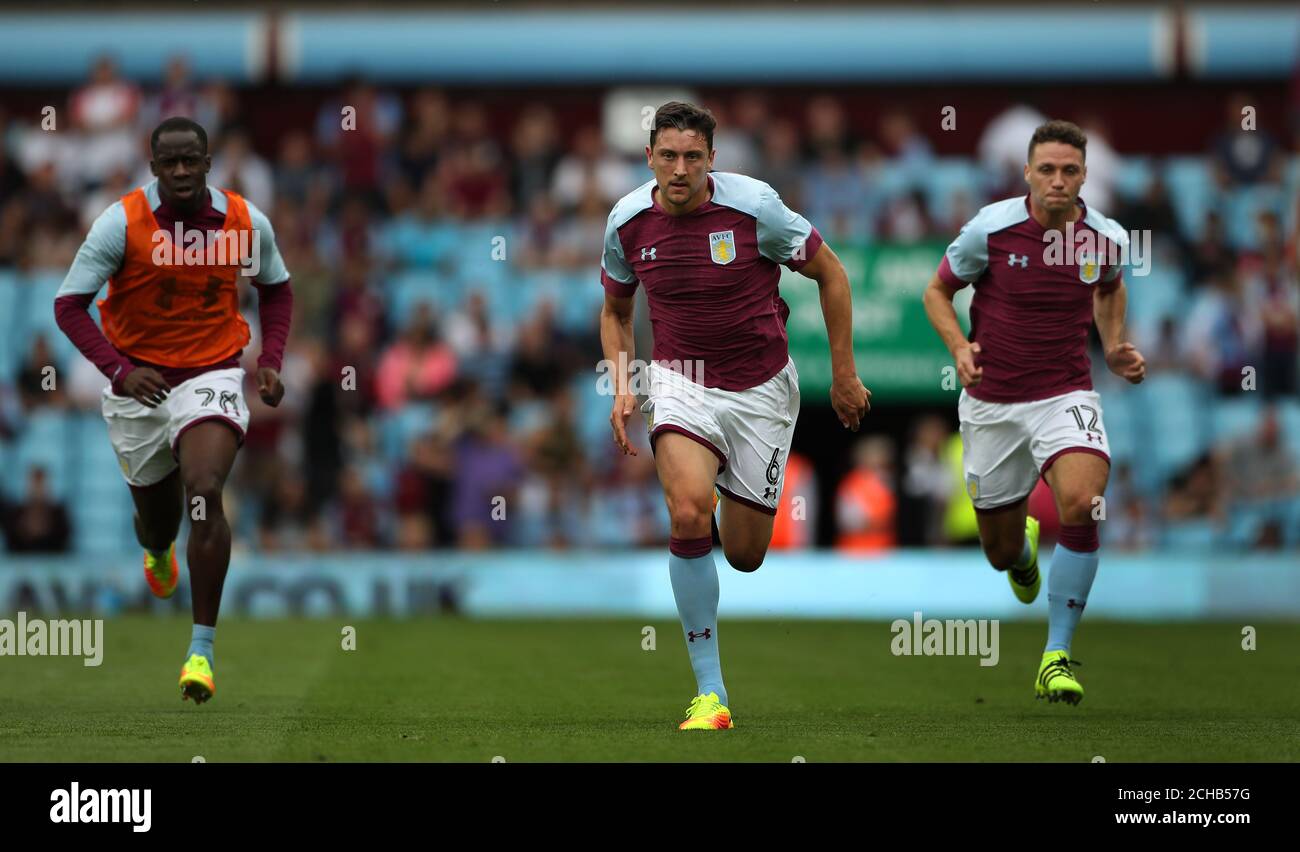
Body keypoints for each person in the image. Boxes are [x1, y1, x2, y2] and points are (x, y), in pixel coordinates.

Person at [600, 102, 869, 730]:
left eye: (694, 157)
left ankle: (721, 475)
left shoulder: (757, 209)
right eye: (668, 155)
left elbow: (831, 274)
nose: (680, 169)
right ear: (650, 159)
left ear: (713, 160)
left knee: (745, 554)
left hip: (761, 391)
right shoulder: (627, 221)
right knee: (690, 510)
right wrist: (622, 385)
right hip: (680, 382)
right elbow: (614, 310)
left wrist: (845, 373)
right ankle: (711, 693)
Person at [54, 117, 293, 704]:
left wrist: (271, 357)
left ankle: (201, 651)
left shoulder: (244, 220)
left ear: (209, 162)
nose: (182, 171)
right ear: (154, 165)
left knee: (205, 489)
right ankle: (157, 549)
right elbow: (69, 306)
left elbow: (278, 288)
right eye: (171, 162)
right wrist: (119, 370)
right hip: (139, 384)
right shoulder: (121, 223)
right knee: (159, 520)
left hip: (211, 371)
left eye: (193, 160)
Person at [922, 120, 1146, 705]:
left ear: (1084, 177)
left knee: (1082, 502)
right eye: (1046, 169)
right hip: (992, 405)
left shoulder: (1105, 237)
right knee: (999, 552)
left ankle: (1057, 654)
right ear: (1026, 172)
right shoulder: (990, 230)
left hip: (1064, 395)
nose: (1057, 180)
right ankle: (1021, 550)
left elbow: (1109, 287)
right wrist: (958, 348)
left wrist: (1115, 343)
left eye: (1069, 170)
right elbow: (936, 293)